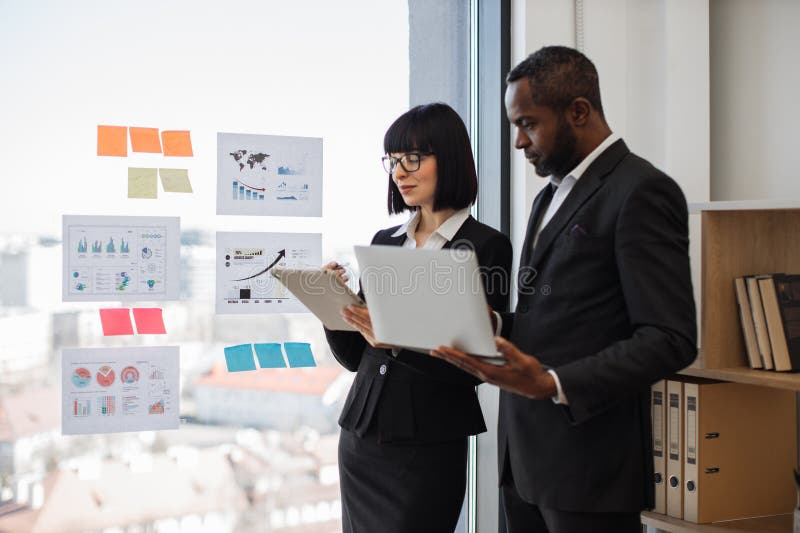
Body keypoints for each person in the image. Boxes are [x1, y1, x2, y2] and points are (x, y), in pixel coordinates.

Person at [431, 46, 697, 533]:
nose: (518, 142)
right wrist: (491, 324)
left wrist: (554, 384)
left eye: (528, 124)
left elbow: (670, 338)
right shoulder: (547, 196)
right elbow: (552, 318)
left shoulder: (641, 190)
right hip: (523, 461)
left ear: (578, 111)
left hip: (589, 469)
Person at [323, 102, 513, 533]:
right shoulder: (385, 241)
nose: (399, 172)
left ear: (450, 158)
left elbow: (476, 365)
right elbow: (355, 357)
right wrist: (334, 303)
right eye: (392, 161)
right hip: (361, 436)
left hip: (428, 442)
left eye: (412, 158)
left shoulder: (485, 246)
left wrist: (397, 341)